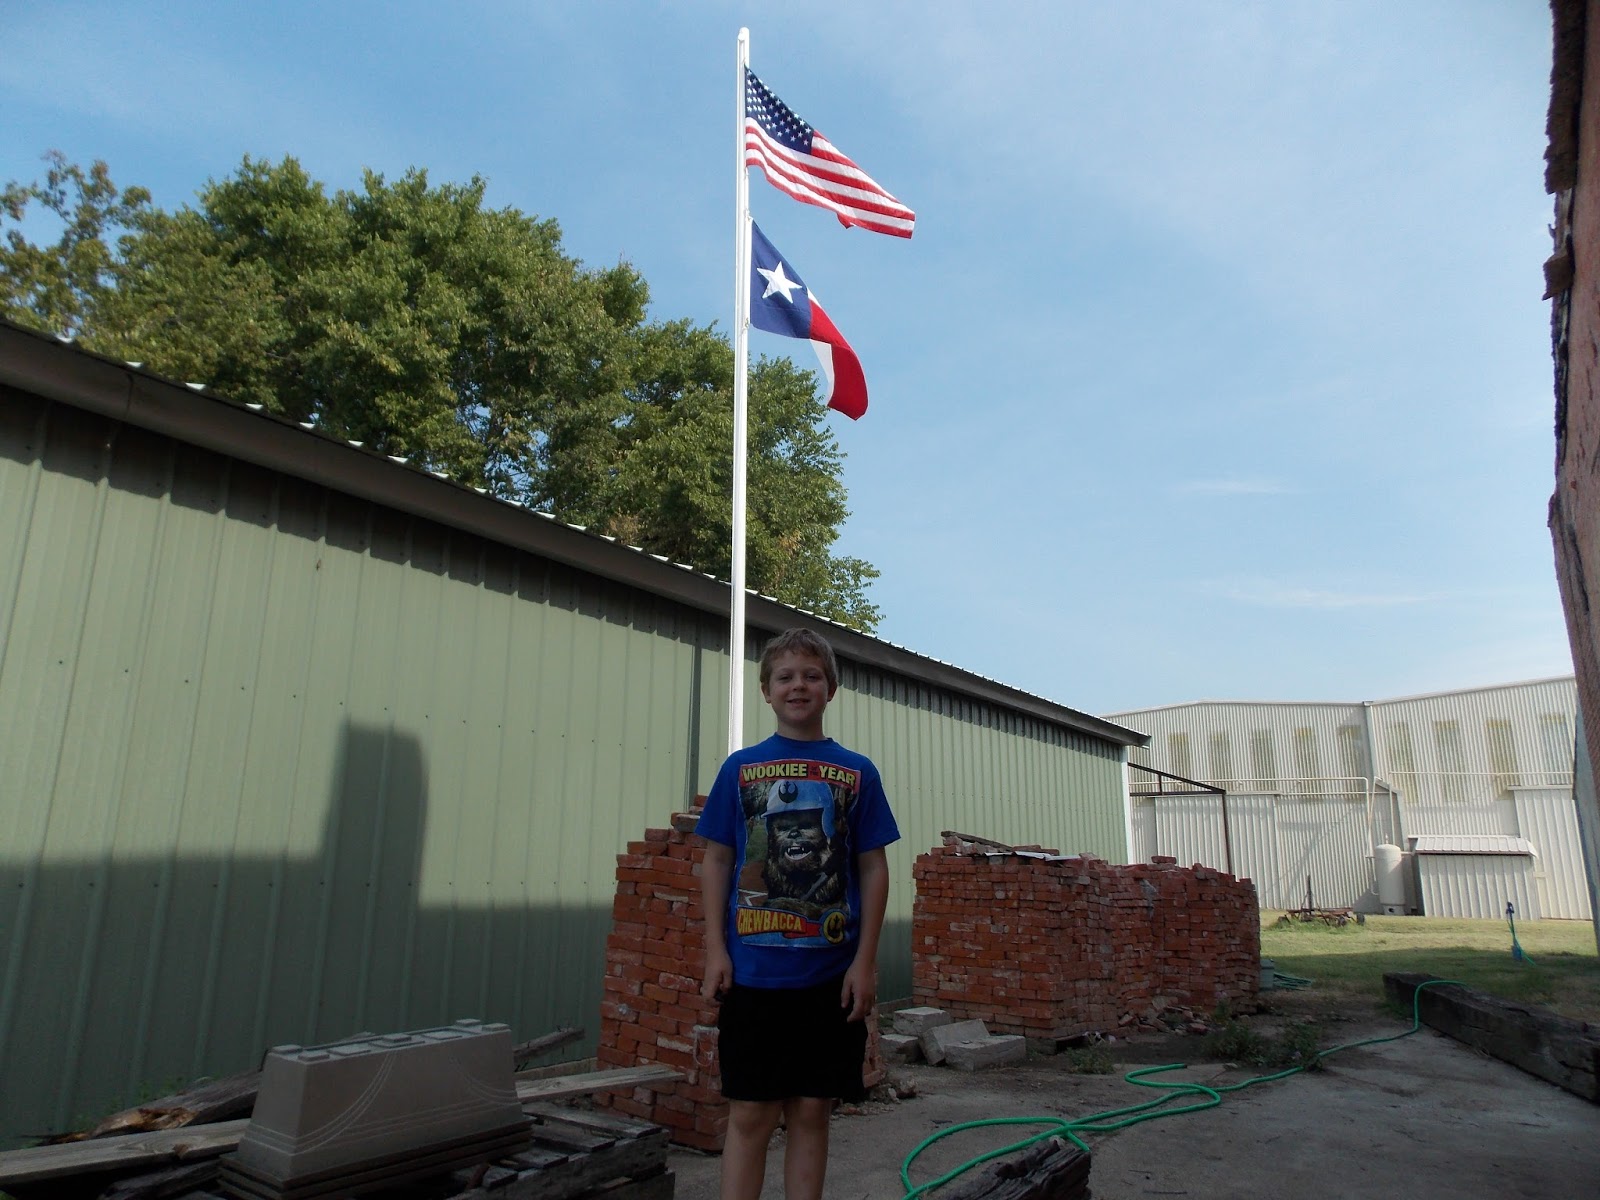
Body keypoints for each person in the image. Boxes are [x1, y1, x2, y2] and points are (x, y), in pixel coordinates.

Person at [696, 628, 900, 1200]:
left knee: (812, 1111)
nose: (798, 685)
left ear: (831, 688)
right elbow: (715, 860)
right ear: (765, 690)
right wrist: (715, 950)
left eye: (811, 675)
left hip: (828, 979)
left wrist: (865, 963)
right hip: (753, 977)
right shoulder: (740, 769)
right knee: (752, 1116)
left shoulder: (858, 772)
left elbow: (873, 869)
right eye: (785, 676)